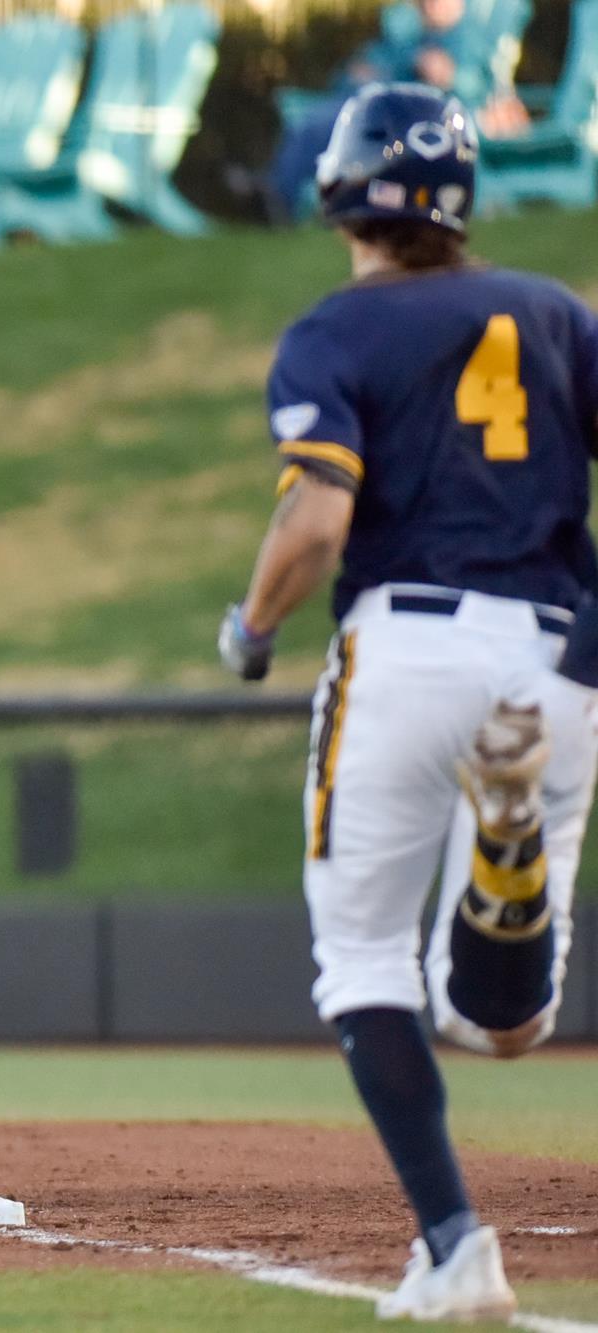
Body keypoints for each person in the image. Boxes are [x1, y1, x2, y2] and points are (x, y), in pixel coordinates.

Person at [217, 84, 598, 1322]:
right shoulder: (553, 313)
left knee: (361, 958)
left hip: (405, 645)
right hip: (552, 659)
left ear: (341, 184)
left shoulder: (331, 331)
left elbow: (317, 517)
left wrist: (254, 624)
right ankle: (501, 866)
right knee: (505, 1023)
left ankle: (451, 1243)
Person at [263, 0, 521, 223]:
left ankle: (279, 198)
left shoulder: (467, 39)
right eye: (425, 2)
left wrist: (450, 76)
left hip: (413, 125)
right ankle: (278, 196)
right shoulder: (411, 37)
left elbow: (483, 89)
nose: (431, 6)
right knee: (310, 123)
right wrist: (361, 73)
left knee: (320, 126)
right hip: (367, 109)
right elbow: (366, 67)